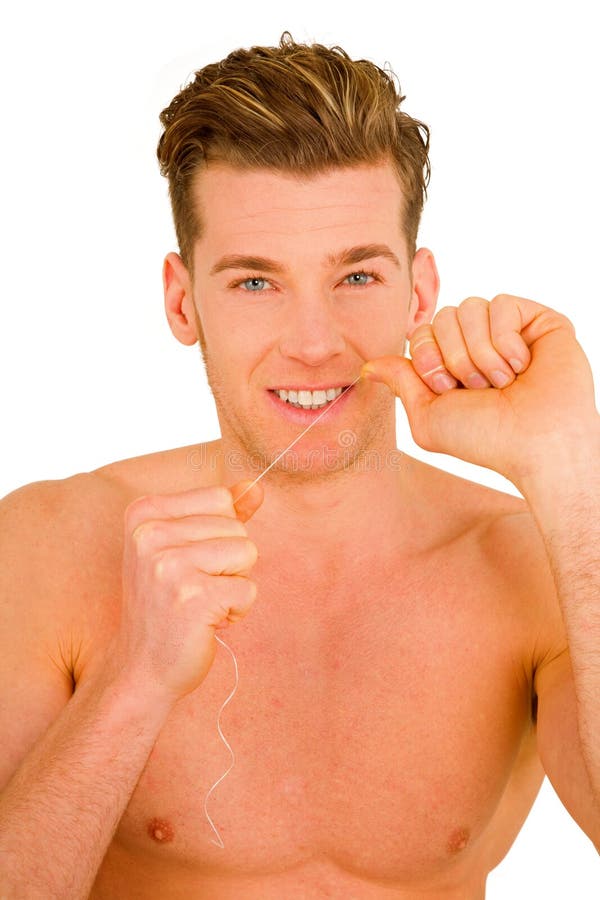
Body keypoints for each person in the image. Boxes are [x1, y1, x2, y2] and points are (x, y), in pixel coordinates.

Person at [0, 32, 598, 899]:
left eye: (357, 276)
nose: (315, 343)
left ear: (419, 293)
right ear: (182, 300)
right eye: (254, 283)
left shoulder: (538, 563)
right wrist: (134, 680)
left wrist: (573, 474)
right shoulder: (43, 545)